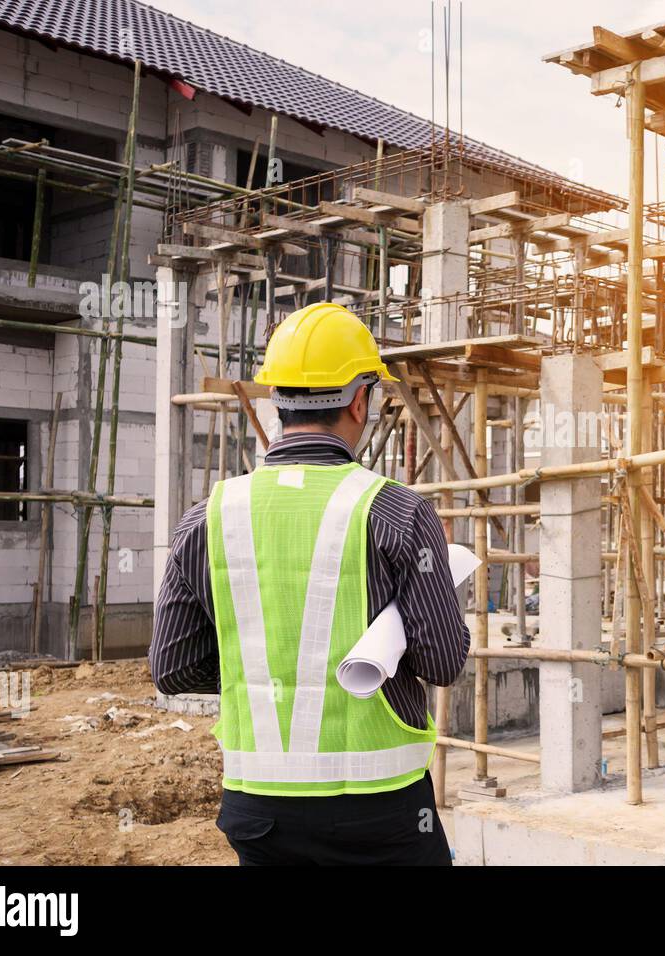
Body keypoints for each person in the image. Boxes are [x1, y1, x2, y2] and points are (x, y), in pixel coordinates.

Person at [149, 301, 469, 865]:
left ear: (276, 399)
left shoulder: (205, 518)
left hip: (260, 813)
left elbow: (172, 670)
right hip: (382, 812)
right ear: (359, 398)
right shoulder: (398, 513)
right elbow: (442, 662)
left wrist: (269, 664)